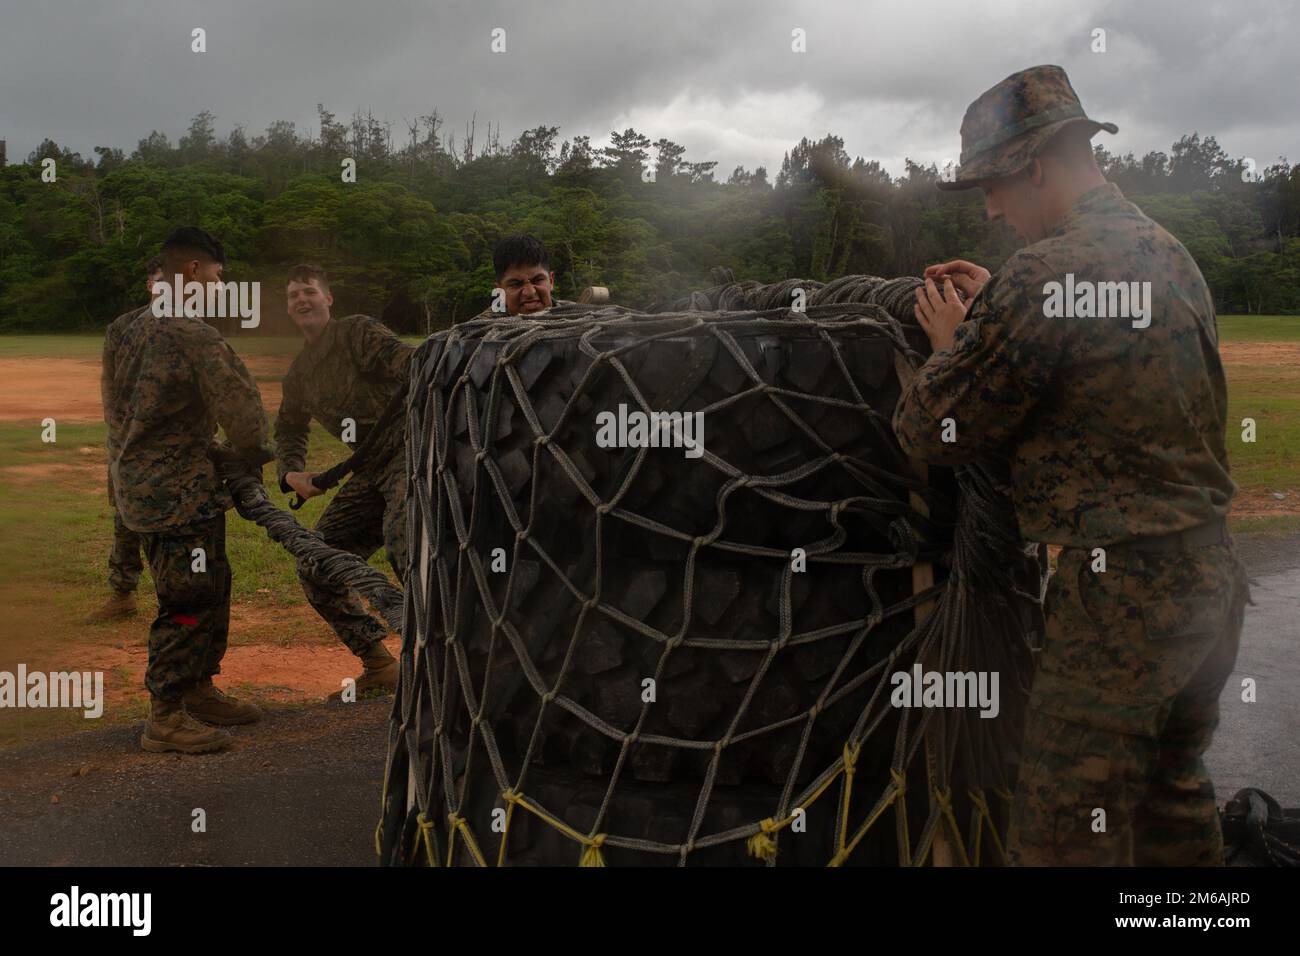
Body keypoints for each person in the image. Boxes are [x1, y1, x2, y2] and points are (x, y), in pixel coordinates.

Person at [893, 65, 1250, 866]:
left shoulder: (1043, 276)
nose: (987, 207)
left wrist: (954, 347)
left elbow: (931, 427)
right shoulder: (1166, 250)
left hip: (1121, 607)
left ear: (1033, 166)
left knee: (1060, 838)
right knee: (1173, 807)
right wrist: (1004, 308)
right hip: (1210, 587)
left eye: (990, 185)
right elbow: (1092, 360)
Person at [108, 226, 273, 753]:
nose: (222, 286)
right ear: (197, 271)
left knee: (211, 584)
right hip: (179, 495)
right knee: (187, 599)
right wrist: (250, 460)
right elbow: (244, 416)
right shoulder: (193, 332)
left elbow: (118, 412)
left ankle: (199, 690)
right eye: (220, 276)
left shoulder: (129, 329)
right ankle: (165, 716)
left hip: (142, 486)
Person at [275, 264, 411, 695]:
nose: (302, 300)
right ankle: (379, 663)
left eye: (309, 292)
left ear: (328, 299)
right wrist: (290, 472)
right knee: (317, 560)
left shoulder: (357, 333)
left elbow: (406, 363)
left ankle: (449, 657)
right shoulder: (299, 373)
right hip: (369, 468)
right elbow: (289, 427)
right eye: (294, 294)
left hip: (414, 453)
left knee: (405, 543)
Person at [90, 255, 165, 623]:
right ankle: (123, 595)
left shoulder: (196, 326)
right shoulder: (121, 327)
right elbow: (110, 384)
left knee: (175, 524)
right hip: (130, 441)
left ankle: (177, 598)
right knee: (124, 516)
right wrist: (120, 432)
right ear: (149, 284)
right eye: (160, 279)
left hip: (176, 445)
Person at [474, 234, 574, 318]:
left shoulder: (581, 315)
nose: (530, 292)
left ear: (551, 281)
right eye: (516, 284)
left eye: (537, 280)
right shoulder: (473, 334)